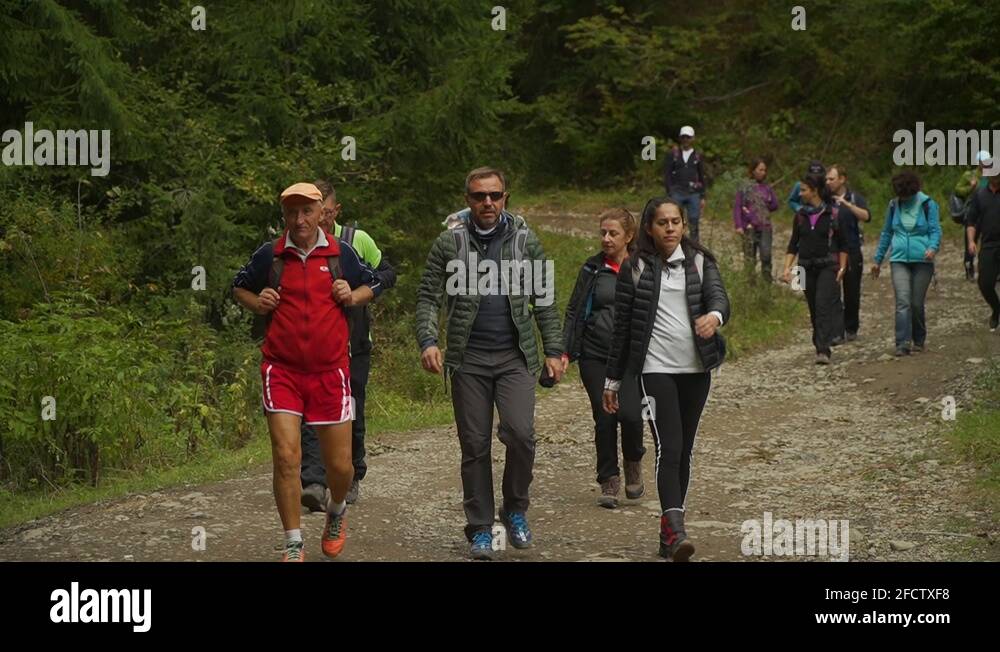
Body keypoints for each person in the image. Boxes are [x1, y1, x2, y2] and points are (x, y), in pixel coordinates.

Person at [415, 167, 563, 560]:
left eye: (495, 196)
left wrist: (554, 350)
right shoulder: (449, 243)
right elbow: (429, 296)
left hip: (516, 356)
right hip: (468, 359)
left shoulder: (525, 241)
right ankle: (480, 527)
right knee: (475, 445)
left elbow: (544, 299)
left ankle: (514, 508)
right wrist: (428, 340)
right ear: (468, 199)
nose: (488, 203)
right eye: (480, 196)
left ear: (505, 198)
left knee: (520, 434)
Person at [232, 182, 385, 561]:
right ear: (284, 216)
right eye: (291, 213)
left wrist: (352, 295)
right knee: (286, 456)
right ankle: (293, 542)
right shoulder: (271, 255)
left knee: (340, 467)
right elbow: (239, 287)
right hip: (281, 370)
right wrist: (259, 302)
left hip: (330, 371)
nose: (299, 219)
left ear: (322, 213)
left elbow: (377, 281)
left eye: (306, 211)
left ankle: (336, 511)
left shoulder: (341, 253)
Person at [603, 197, 729, 562]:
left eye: (676, 222)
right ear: (649, 228)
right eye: (663, 222)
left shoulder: (701, 262)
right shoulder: (636, 267)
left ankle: (668, 531)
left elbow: (719, 297)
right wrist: (612, 380)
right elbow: (623, 328)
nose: (670, 228)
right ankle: (676, 530)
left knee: (684, 449)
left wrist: (715, 317)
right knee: (668, 447)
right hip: (655, 370)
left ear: (684, 226)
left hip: (696, 371)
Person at [299, 180, 397, 512]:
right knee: (310, 408)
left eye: (325, 213)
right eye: (314, 212)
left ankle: (352, 472)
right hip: (311, 345)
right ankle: (313, 480)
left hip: (354, 343)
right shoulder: (296, 245)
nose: (319, 221)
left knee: (349, 406)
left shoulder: (356, 240)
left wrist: (357, 293)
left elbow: (386, 274)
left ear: (335, 211)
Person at [561, 208, 645, 508]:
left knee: (632, 416)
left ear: (629, 236)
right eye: (602, 233)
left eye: (613, 233)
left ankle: (633, 461)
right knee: (605, 416)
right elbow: (574, 309)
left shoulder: (643, 267)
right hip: (596, 355)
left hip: (634, 358)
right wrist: (565, 351)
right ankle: (609, 479)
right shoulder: (592, 268)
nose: (606, 239)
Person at [871, 171, 942, 356]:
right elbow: (887, 233)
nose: (903, 198)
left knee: (916, 303)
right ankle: (902, 342)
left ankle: (919, 339)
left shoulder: (928, 204)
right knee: (903, 301)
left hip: (923, 261)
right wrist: (878, 260)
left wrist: (932, 247)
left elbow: (935, 230)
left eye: (906, 196)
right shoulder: (894, 205)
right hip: (899, 259)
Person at [781, 174, 848, 365]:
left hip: (828, 265)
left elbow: (843, 244)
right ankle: (819, 342)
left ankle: (823, 349)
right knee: (812, 306)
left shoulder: (833, 213)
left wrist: (842, 268)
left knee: (822, 304)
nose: (800, 193)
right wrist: (787, 269)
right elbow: (793, 245)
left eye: (803, 190)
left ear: (814, 190)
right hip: (804, 267)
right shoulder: (800, 216)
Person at [825, 164, 871, 341]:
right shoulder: (824, 198)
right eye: (827, 179)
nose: (828, 182)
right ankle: (836, 330)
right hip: (831, 251)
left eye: (832, 178)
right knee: (832, 292)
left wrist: (847, 204)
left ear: (842, 179)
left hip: (851, 249)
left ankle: (851, 327)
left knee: (851, 292)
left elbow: (866, 216)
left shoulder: (854, 197)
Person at [733, 158, 779, 281]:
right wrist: (739, 225)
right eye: (760, 169)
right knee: (749, 257)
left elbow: (775, 205)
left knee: (766, 255)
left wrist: (765, 205)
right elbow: (737, 207)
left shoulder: (767, 188)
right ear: (753, 171)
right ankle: (750, 282)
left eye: (764, 170)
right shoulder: (745, 187)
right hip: (749, 227)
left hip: (765, 226)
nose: (763, 172)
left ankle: (766, 281)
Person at [965, 167, 1000, 331]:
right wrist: (971, 241)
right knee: (985, 284)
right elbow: (971, 221)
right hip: (988, 244)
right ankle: (996, 309)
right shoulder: (980, 195)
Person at [664, 126, 708, 242]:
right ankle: (677, 243)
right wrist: (670, 191)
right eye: (683, 137)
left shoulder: (698, 156)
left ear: (692, 138)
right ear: (680, 138)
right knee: (675, 220)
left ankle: (694, 246)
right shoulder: (673, 154)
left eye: (688, 137)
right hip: (677, 192)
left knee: (694, 220)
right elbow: (667, 174)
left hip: (694, 193)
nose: (685, 140)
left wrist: (703, 195)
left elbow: (702, 175)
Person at [955, 150, 993, 280]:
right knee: (971, 241)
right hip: (973, 213)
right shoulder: (969, 175)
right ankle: (969, 266)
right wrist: (970, 188)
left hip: (989, 212)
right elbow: (958, 191)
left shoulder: (992, 174)